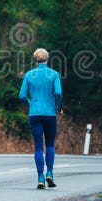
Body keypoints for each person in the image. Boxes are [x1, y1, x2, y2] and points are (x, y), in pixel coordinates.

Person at [19, 48, 62, 189]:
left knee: (38, 147)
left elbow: (21, 95)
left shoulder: (29, 75)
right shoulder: (54, 74)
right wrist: (58, 106)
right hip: (50, 114)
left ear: (36, 60)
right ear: (47, 59)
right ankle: (49, 172)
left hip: (35, 114)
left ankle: (40, 178)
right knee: (49, 144)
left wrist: (30, 104)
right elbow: (58, 92)